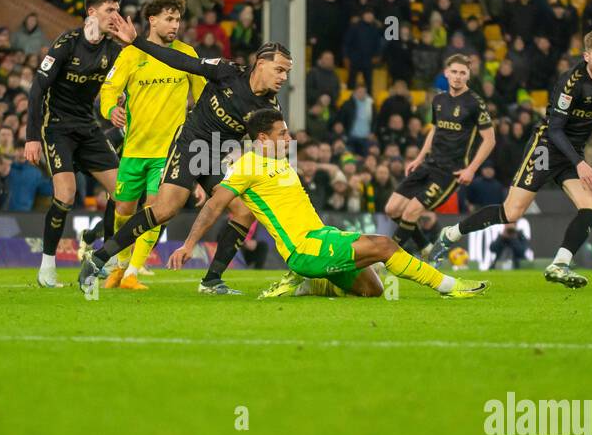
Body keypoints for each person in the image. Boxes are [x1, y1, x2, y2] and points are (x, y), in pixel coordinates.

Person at [166, 109, 488, 300]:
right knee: (386, 246)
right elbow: (214, 205)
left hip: (321, 238)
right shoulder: (246, 166)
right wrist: (188, 245)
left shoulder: (281, 161)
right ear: (262, 139)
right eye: (282, 134)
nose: (288, 139)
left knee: (371, 290)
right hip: (307, 248)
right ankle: (451, 287)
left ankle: (306, 283)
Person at [430, 29, 592, 288]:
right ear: (586, 56)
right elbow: (554, 129)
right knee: (511, 212)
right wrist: (580, 163)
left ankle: (559, 265)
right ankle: (450, 233)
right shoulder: (570, 83)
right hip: (547, 147)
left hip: (572, 153)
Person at [78, 15, 292, 295]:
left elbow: (274, 148)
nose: (284, 78)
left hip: (216, 156)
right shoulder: (226, 71)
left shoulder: (268, 108)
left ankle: (211, 280)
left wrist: (286, 177)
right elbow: (182, 62)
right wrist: (139, 42)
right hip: (191, 143)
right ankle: (98, 259)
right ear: (261, 64)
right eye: (279, 70)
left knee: (243, 211)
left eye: (287, 73)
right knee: (165, 209)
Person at [92, 0, 204, 290]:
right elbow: (108, 89)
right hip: (134, 149)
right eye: (169, 19)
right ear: (152, 20)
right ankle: (119, 266)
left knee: (154, 209)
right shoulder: (131, 54)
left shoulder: (187, 54)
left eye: (178, 19)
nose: (175, 25)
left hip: (168, 152)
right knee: (124, 210)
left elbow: (204, 98)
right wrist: (110, 110)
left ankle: (132, 273)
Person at [24, 0, 128, 288]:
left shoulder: (115, 50)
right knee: (66, 194)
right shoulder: (67, 44)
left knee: (123, 194)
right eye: (110, 9)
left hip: (88, 126)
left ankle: (102, 255)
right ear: (91, 13)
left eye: (118, 10)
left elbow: (128, 80)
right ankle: (47, 267)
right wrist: (32, 137)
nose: (116, 16)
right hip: (56, 127)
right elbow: (37, 89)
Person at [386, 55, 495, 254]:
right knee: (392, 209)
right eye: (454, 72)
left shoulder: (475, 103)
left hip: (450, 172)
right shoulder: (438, 100)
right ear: (446, 73)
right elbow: (435, 131)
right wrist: (419, 158)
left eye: (463, 73)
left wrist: (471, 169)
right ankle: (426, 247)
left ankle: (385, 259)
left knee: (411, 211)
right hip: (429, 164)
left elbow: (490, 140)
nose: (458, 77)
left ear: (468, 75)